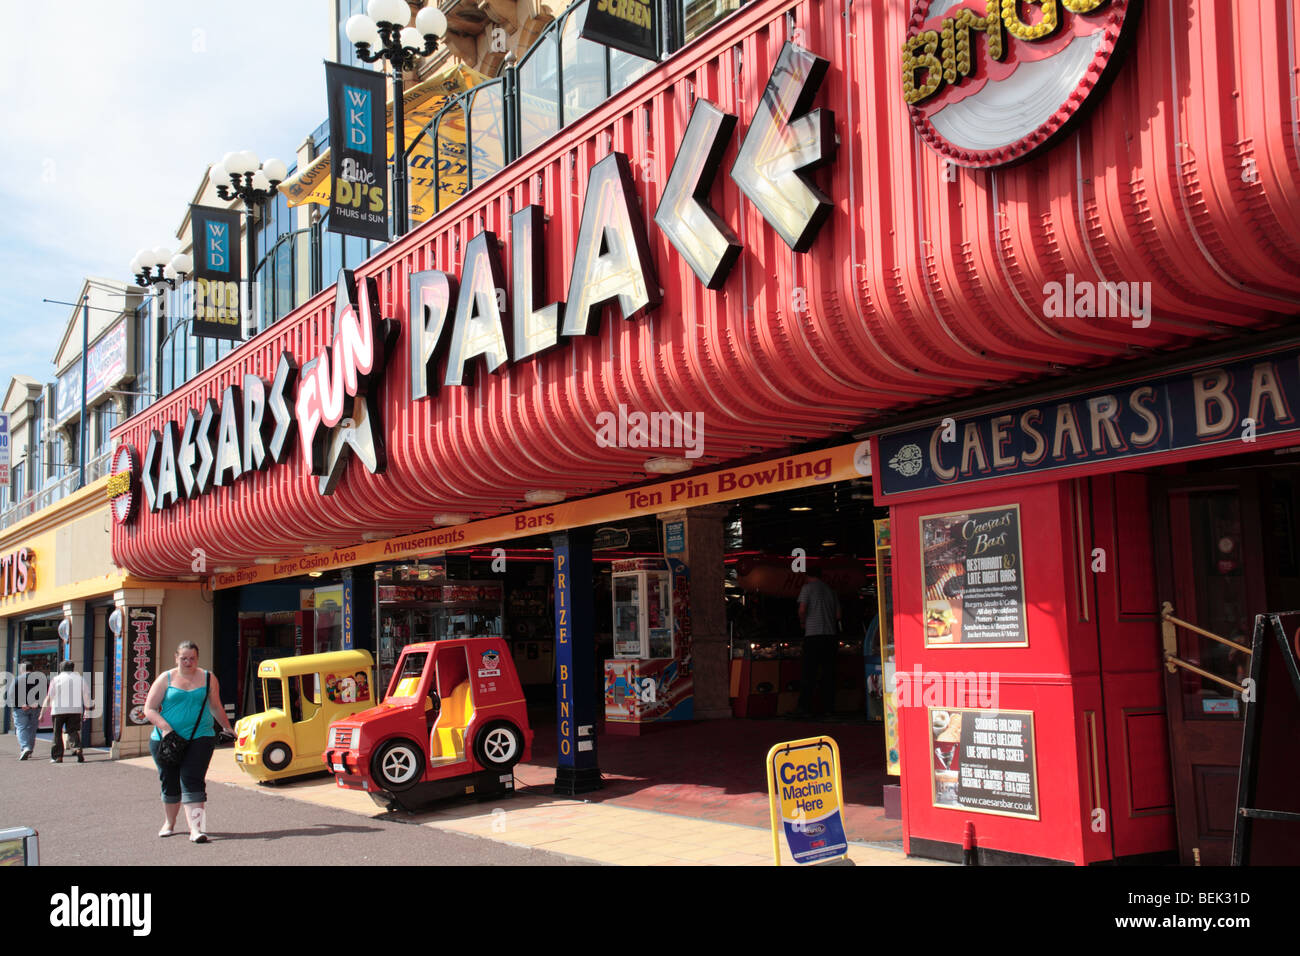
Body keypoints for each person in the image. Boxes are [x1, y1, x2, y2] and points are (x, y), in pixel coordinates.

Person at [142, 642, 236, 843]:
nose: (188, 662)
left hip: (200, 737)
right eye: (184, 658)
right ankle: (169, 822)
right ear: (176, 658)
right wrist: (166, 729)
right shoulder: (165, 678)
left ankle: (197, 829)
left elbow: (216, 706)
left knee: (193, 780)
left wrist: (228, 728)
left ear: (197, 658)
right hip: (166, 740)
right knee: (170, 781)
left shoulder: (208, 678)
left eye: (192, 658)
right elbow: (149, 708)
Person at [794, 566, 841, 718]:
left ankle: (804, 707)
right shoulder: (830, 590)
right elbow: (838, 615)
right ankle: (828, 707)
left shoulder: (807, 589)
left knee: (809, 672)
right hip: (830, 635)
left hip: (813, 635)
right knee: (828, 673)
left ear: (807, 576)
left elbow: (802, 609)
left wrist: (802, 622)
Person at [40, 660, 91, 764]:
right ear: (73, 668)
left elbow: (49, 697)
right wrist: (87, 710)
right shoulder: (80, 679)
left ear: (61, 668)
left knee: (57, 733)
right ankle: (77, 748)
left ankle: (57, 757)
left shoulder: (56, 679)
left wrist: (42, 713)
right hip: (75, 710)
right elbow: (86, 696)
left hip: (58, 710)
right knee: (73, 731)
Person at [12, 662, 41, 760]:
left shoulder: (17, 680)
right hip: (35, 708)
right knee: (32, 729)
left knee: (21, 728)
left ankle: (25, 748)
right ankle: (29, 750)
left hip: (21, 709)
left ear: (22, 669)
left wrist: (22, 704)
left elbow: (9, 695)